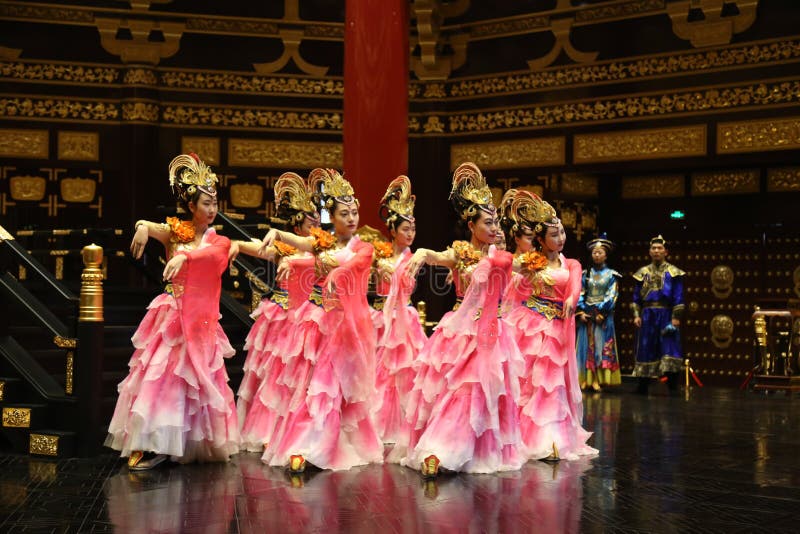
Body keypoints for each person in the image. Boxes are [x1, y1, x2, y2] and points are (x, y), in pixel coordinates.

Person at [106, 153, 239, 470]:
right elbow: (152, 226)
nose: (212, 209)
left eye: (214, 202)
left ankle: (187, 440)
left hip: (200, 319)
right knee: (162, 376)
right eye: (206, 203)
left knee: (193, 379)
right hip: (172, 315)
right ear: (191, 205)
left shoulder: (217, 240)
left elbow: (215, 256)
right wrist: (141, 227)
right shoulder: (176, 231)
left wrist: (187, 259)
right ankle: (154, 442)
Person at [396, 162, 526, 476]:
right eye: (488, 223)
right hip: (463, 331)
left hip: (493, 333)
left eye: (496, 222)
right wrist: (424, 252)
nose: (495, 228)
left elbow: (524, 271)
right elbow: (439, 257)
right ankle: (440, 449)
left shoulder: (502, 257)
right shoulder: (462, 253)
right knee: (460, 393)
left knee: (485, 393)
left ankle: (473, 449)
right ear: (471, 225)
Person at [258, 168, 383, 471]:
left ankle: (320, 446)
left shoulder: (364, 248)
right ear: (333, 216)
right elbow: (299, 244)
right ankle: (305, 440)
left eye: (354, 212)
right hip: (317, 322)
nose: (352, 218)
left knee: (329, 386)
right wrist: (277, 234)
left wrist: (337, 275)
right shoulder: (322, 243)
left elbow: (355, 266)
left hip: (343, 324)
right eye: (345, 213)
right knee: (309, 386)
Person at [501, 191, 597, 462]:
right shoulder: (531, 262)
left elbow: (575, 286)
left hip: (555, 328)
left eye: (562, 233)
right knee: (528, 381)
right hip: (530, 325)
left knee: (551, 384)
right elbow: (504, 270)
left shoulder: (573, 264)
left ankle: (550, 438)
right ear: (540, 240)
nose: (561, 238)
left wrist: (570, 299)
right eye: (554, 235)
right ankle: (518, 434)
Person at [235, 172, 319, 452]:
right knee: (274, 376)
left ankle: (297, 428)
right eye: (311, 217)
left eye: (317, 215)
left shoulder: (321, 248)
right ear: (298, 220)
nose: (316, 220)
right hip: (282, 315)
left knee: (300, 377)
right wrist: (234, 244)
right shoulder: (283, 248)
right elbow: (256, 249)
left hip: (307, 318)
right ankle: (270, 428)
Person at [372, 176, 427, 445]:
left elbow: (407, 284)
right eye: (406, 229)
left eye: (413, 229)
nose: (410, 234)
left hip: (403, 318)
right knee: (377, 371)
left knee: (401, 373)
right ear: (392, 230)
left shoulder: (412, 259)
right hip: (380, 317)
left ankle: (402, 424)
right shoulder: (378, 255)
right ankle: (375, 423)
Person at [631, 235, 686, 394]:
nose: (656, 251)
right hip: (647, 313)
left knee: (670, 347)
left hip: (666, 313)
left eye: (659, 248)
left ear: (666, 252)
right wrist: (636, 315)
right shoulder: (642, 272)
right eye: (653, 248)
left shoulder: (673, 272)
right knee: (646, 347)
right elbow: (635, 298)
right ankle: (643, 385)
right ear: (649, 252)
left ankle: (673, 386)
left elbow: (678, 296)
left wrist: (676, 316)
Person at [575, 234, 622, 391]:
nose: (597, 255)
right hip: (587, 316)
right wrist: (582, 311)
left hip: (603, 317)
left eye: (600, 252)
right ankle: (586, 379)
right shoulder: (585, 275)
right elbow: (580, 294)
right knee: (585, 347)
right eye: (594, 252)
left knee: (600, 348)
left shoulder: (611, 275)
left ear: (606, 255)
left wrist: (600, 312)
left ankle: (599, 379)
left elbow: (612, 296)